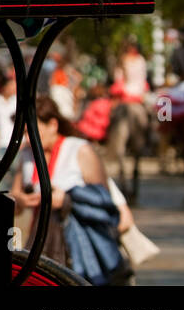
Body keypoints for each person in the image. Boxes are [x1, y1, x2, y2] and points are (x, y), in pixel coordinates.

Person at [12, 96, 131, 284]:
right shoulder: (27, 155)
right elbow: (14, 200)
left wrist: (68, 200)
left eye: (33, 132)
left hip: (77, 244)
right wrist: (23, 201)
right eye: (25, 132)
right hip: (40, 242)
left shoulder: (79, 150)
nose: (28, 138)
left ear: (53, 124)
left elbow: (103, 199)